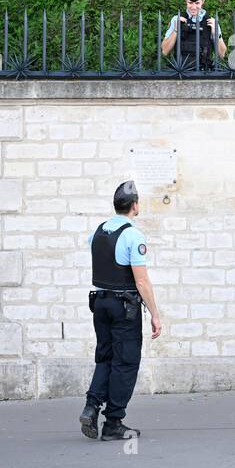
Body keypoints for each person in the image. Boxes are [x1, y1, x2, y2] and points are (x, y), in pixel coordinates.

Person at [79, 181, 162, 441]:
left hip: (100, 302)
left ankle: (92, 406)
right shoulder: (132, 235)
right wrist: (155, 315)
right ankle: (114, 422)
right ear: (135, 205)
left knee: (105, 357)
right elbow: (141, 281)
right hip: (123, 306)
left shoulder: (98, 231)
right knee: (125, 362)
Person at [160, 0, 227, 70]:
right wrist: (176, 30)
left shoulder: (211, 22)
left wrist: (216, 34)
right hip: (181, 74)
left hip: (204, 74)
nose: (193, 7)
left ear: (203, 1)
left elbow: (222, 55)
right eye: (190, 3)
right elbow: (164, 51)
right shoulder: (177, 19)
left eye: (197, 3)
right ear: (185, 1)